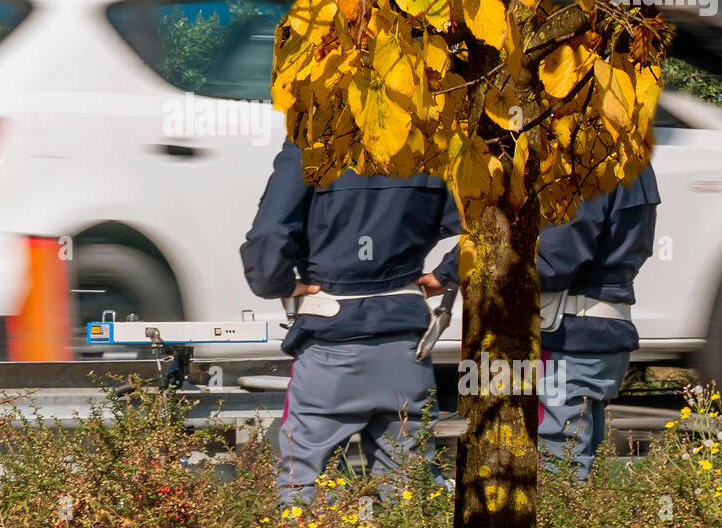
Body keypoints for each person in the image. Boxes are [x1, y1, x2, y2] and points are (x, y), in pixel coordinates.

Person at [241, 140, 461, 506]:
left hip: (329, 348)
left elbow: (269, 235)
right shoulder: (431, 140)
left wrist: (276, 283)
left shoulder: (312, 141)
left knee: (300, 490)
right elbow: (491, 220)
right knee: (411, 493)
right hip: (405, 349)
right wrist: (447, 273)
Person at [430, 163, 660, 479]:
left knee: (555, 479)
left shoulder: (586, 159)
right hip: (601, 334)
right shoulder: (631, 156)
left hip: (564, 340)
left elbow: (551, 260)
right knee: (580, 474)